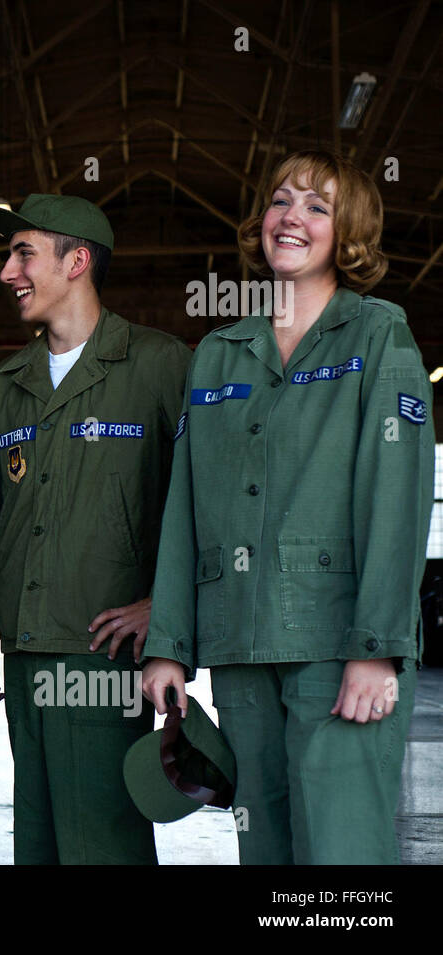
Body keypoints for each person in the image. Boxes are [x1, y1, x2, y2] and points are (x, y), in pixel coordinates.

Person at [142, 150, 433, 864]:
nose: (291, 217)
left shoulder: (377, 334)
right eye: (280, 200)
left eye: (317, 206)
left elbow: (396, 496)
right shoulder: (217, 352)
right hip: (241, 648)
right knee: (261, 850)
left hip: (338, 649)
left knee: (341, 856)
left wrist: (378, 648)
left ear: (349, 233)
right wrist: (167, 645)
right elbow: (185, 505)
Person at [0, 194, 192, 864]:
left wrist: (170, 610)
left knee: (103, 842)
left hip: (104, 654)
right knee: (36, 841)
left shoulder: (157, 364)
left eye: (22, 252)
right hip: (24, 650)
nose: (6, 271)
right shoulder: (8, 382)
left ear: (78, 260)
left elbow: (201, 503)